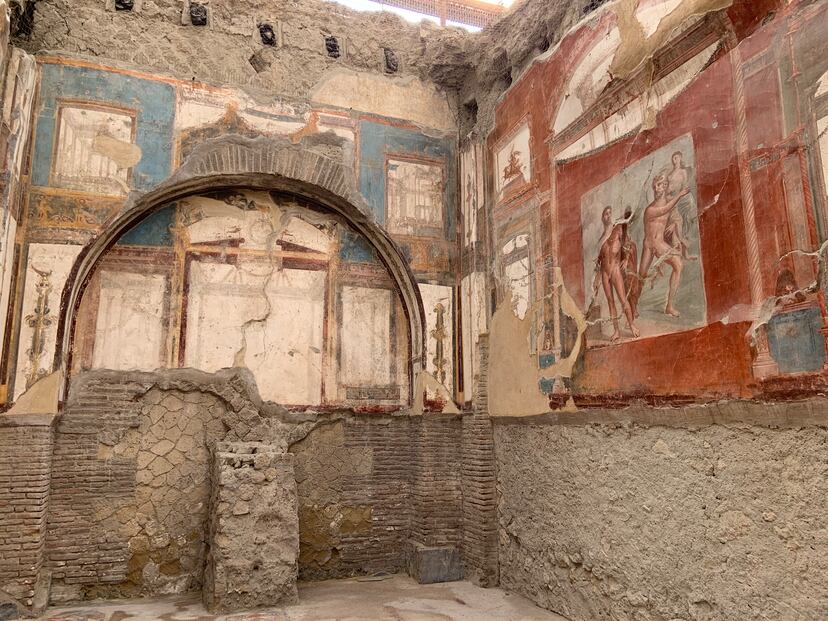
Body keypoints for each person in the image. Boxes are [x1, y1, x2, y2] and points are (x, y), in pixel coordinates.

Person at [636, 175, 691, 318]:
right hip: (649, 244)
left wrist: (673, 224)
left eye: (659, 185)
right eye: (655, 186)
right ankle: (633, 306)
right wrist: (680, 194)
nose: (656, 188)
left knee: (678, 265)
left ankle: (669, 306)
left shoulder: (669, 204)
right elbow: (664, 210)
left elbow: (675, 217)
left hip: (660, 243)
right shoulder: (650, 209)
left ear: (665, 186)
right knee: (641, 276)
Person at [593, 206, 640, 341]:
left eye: (609, 213)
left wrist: (625, 259)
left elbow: (627, 244)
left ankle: (632, 325)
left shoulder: (619, 229)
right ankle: (616, 331)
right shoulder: (602, 238)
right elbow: (600, 259)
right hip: (604, 272)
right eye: (605, 214)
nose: (607, 216)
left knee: (622, 299)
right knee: (610, 301)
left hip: (614, 269)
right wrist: (597, 278)